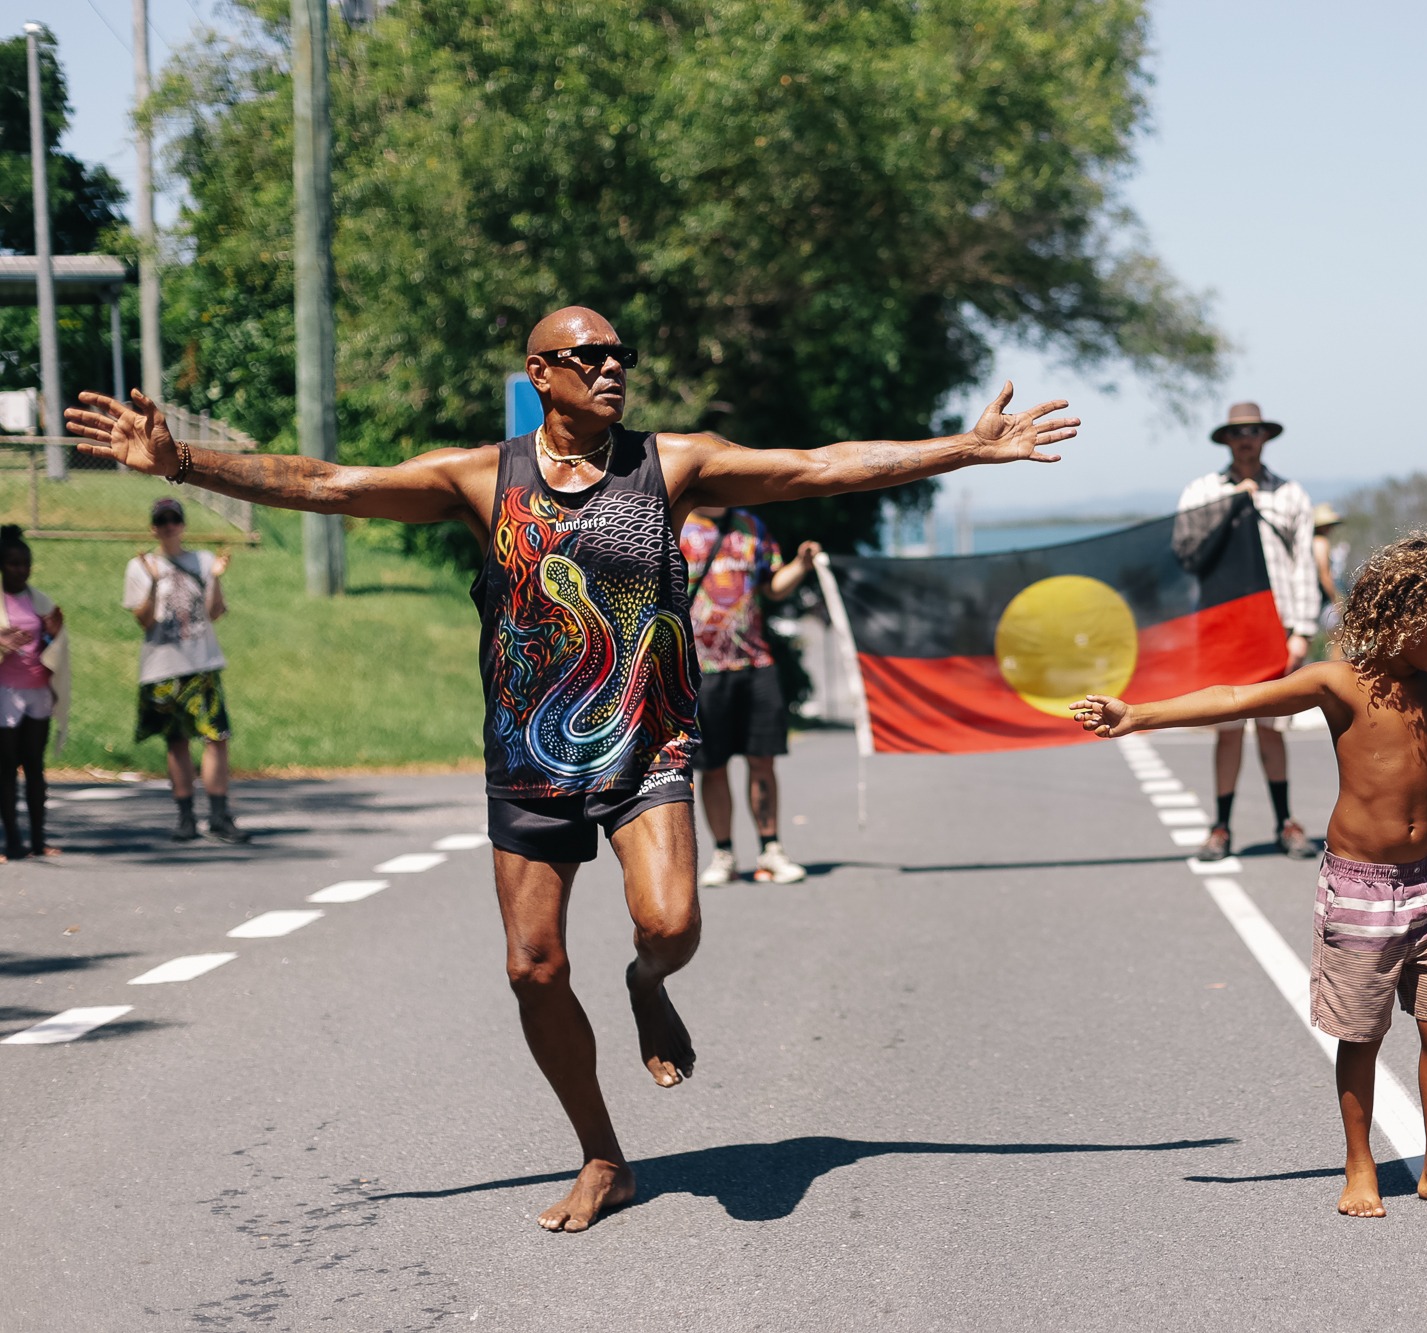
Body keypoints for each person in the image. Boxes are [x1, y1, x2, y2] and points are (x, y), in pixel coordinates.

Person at [67, 306, 1077, 1233]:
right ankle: (603, 1155)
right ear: (538, 372)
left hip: (649, 744)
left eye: (619, 357)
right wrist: (182, 461)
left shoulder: (671, 464)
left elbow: (818, 468)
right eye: (587, 357)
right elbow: (330, 484)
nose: (611, 369)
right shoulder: (481, 477)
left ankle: (647, 984)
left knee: (670, 923)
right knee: (530, 967)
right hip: (527, 757)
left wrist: (963, 448)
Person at [1072, 531, 1427, 1217]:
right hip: (1360, 887)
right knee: (1362, 1033)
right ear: (1398, 616)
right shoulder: (1339, 681)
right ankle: (1359, 1162)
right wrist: (1139, 713)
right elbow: (1236, 698)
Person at [1173, 401, 1319, 861]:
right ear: (1227, 439)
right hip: (1225, 629)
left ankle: (1285, 822)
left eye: (1254, 431)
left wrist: (1301, 630)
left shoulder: (1291, 493)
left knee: (1273, 726)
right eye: (1239, 432)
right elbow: (1184, 549)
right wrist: (1234, 504)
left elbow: (1303, 566)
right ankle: (1221, 827)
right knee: (1228, 728)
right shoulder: (1201, 490)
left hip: (1276, 627)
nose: (1247, 439)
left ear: (1265, 437)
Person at [678, 504, 821, 886]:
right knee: (713, 765)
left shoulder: (751, 527)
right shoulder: (675, 524)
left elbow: (772, 587)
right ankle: (723, 854)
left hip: (755, 663)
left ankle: (771, 849)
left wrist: (801, 565)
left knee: (762, 760)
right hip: (701, 669)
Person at [122, 497, 247, 844]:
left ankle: (220, 816)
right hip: (162, 668)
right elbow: (144, 621)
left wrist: (217, 579)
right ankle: (186, 817)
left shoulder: (203, 561)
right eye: (161, 521)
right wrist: (151, 582)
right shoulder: (140, 566)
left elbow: (216, 612)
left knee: (216, 738)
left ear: (182, 524)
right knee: (176, 741)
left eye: (173, 520)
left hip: (201, 664)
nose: (168, 526)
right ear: (153, 527)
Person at [0, 526, 67, 859]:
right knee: (6, 768)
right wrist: (1, 642)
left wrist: (53, 637)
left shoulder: (38, 601)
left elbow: (52, 646)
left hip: (36, 690)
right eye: (13, 563)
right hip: (5, 693)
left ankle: (38, 839)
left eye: (26, 563)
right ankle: (11, 841)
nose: (21, 569)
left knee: (34, 767)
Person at [1311, 502, 1346, 646]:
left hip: (1314, 597)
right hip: (1321, 599)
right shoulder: (1321, 543)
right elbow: (1324, 575)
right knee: (1337, 636)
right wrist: (1336, 600)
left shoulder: (1309, 542)